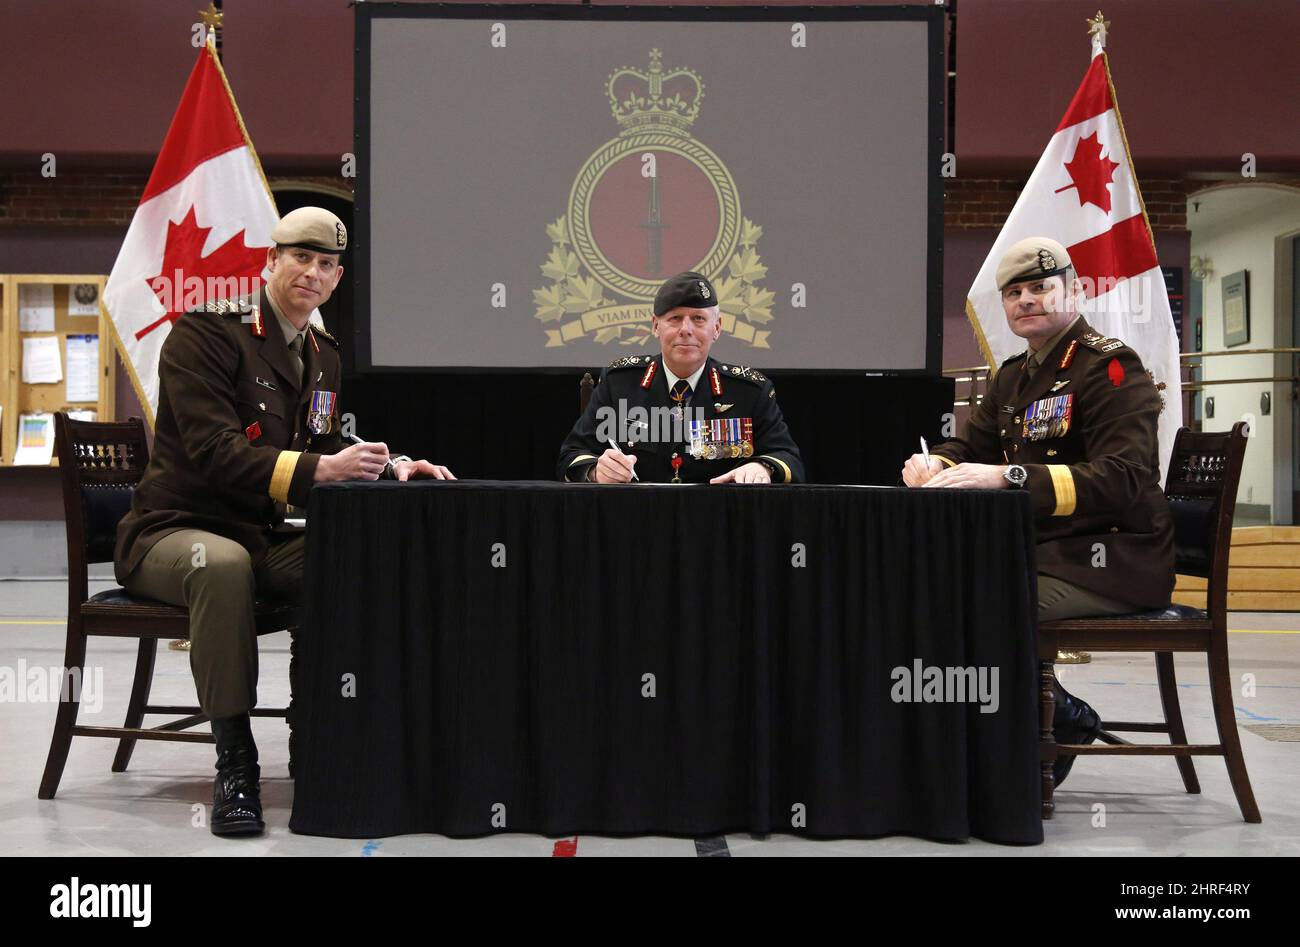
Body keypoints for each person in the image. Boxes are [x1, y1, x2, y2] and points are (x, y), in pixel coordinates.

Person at [114, 207, 455, 836]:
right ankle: (236, 760)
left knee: (357, 557)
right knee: (222, 566)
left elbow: (321, 450)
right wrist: (322, 472)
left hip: (259, 535)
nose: (313, 272)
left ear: (336, 279)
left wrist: (392, 466)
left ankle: (321, 734)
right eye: (301, 257)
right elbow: (218, 452)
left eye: (327, 265)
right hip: (173, 530)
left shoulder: (322, 352)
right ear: (270, 262)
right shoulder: (206, 334)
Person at [901, 237, 1174, 786]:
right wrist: (932, 464)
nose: (1027, 300)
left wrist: (1011, 476)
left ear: (1072, 291)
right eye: (1015, 293)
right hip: (1049, 554)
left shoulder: (1111, 368)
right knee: (932, 593)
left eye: (1041, 287)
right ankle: (988, 746)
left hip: (1113, 559)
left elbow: (1125, 479)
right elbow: (969, 448)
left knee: (984, 606)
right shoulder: (1013, 376)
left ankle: (1063, 723)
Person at [558, 271, 804, 484]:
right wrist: (595, 472)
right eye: (674, 318)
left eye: (698, 319)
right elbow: (572, 454)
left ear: (717, 327)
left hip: (718, 524)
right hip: (636, 522)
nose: (686, 330)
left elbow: (788, 457)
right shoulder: (620, 383)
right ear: (656, 326)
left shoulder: (748, 391)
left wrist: (763, 467)